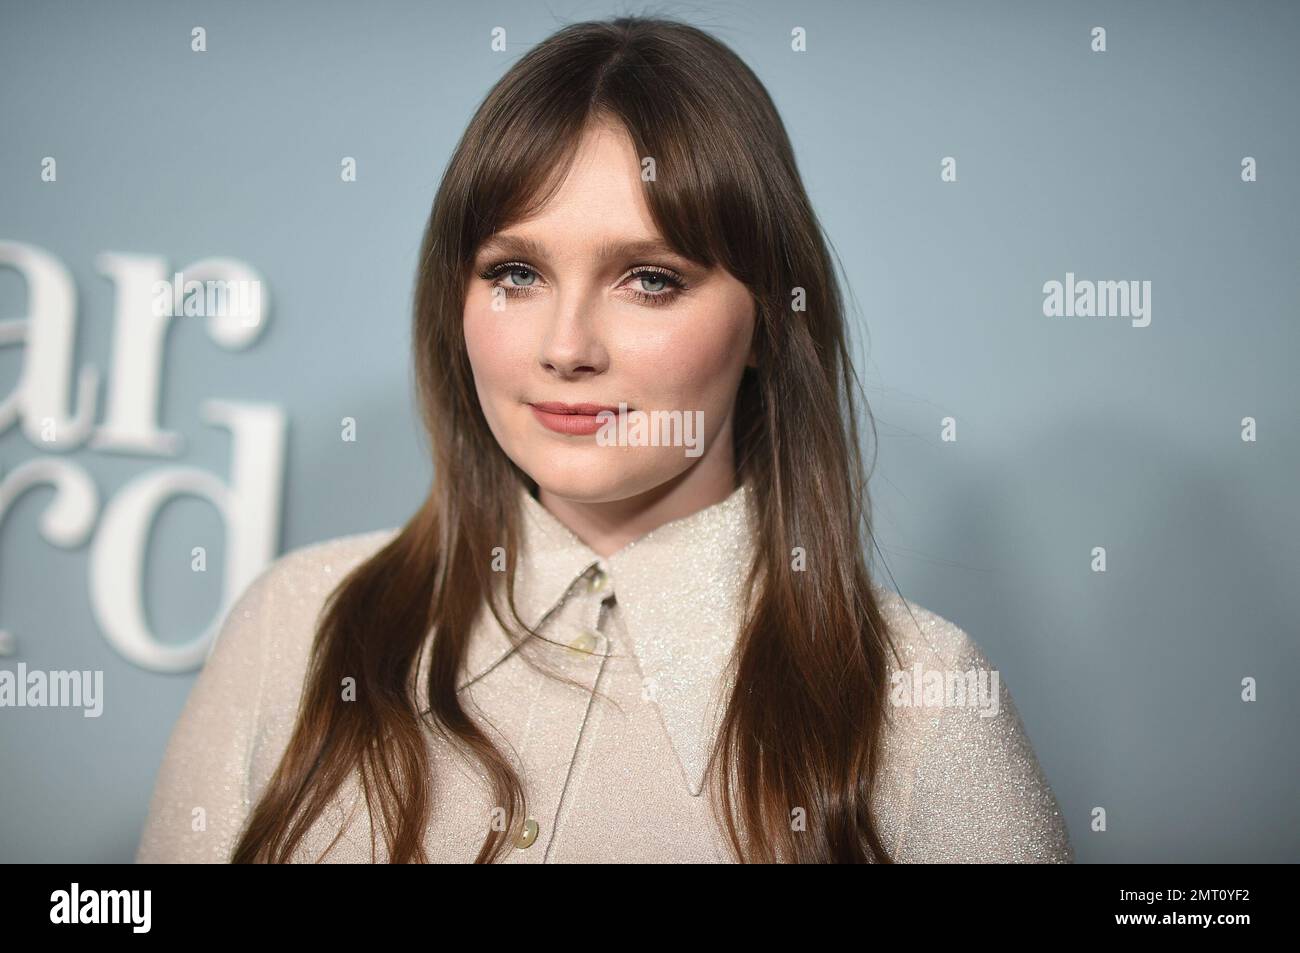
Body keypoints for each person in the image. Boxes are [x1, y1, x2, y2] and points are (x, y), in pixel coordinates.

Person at [136, 15, 1073, 864]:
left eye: (650, 279)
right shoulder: (296, 624)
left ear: (770, 322)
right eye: (514, 273)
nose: (566, 347)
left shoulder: (925, 703)